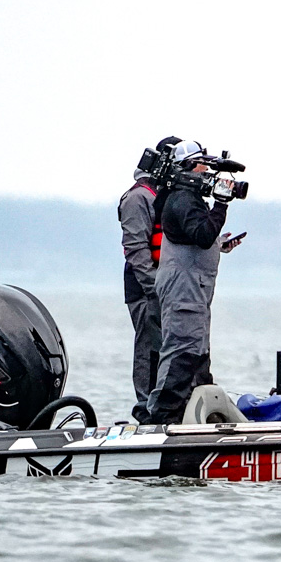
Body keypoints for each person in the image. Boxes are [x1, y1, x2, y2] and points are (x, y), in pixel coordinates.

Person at [144, 141, 244, 423]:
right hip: (184, 289)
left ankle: (194, 420)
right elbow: (200, 234)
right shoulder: (182, 199)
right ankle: (158, 421)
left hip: (193, 290)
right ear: (188, 167)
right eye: (203, 165)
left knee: (198, 357)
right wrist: (222, 203)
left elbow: (196, 237)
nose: (207, 172)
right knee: (181, 354)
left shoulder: (185, 199)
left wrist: (219, 244)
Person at [118, 137, 180, 421]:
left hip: (165, 286)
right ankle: (144, 409)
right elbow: (135, 248)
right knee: (147, 347)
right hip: (144, 289)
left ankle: (167, 405)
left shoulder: (164, 196)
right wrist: (153, 287)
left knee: (168, 347)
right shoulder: (138, 197)